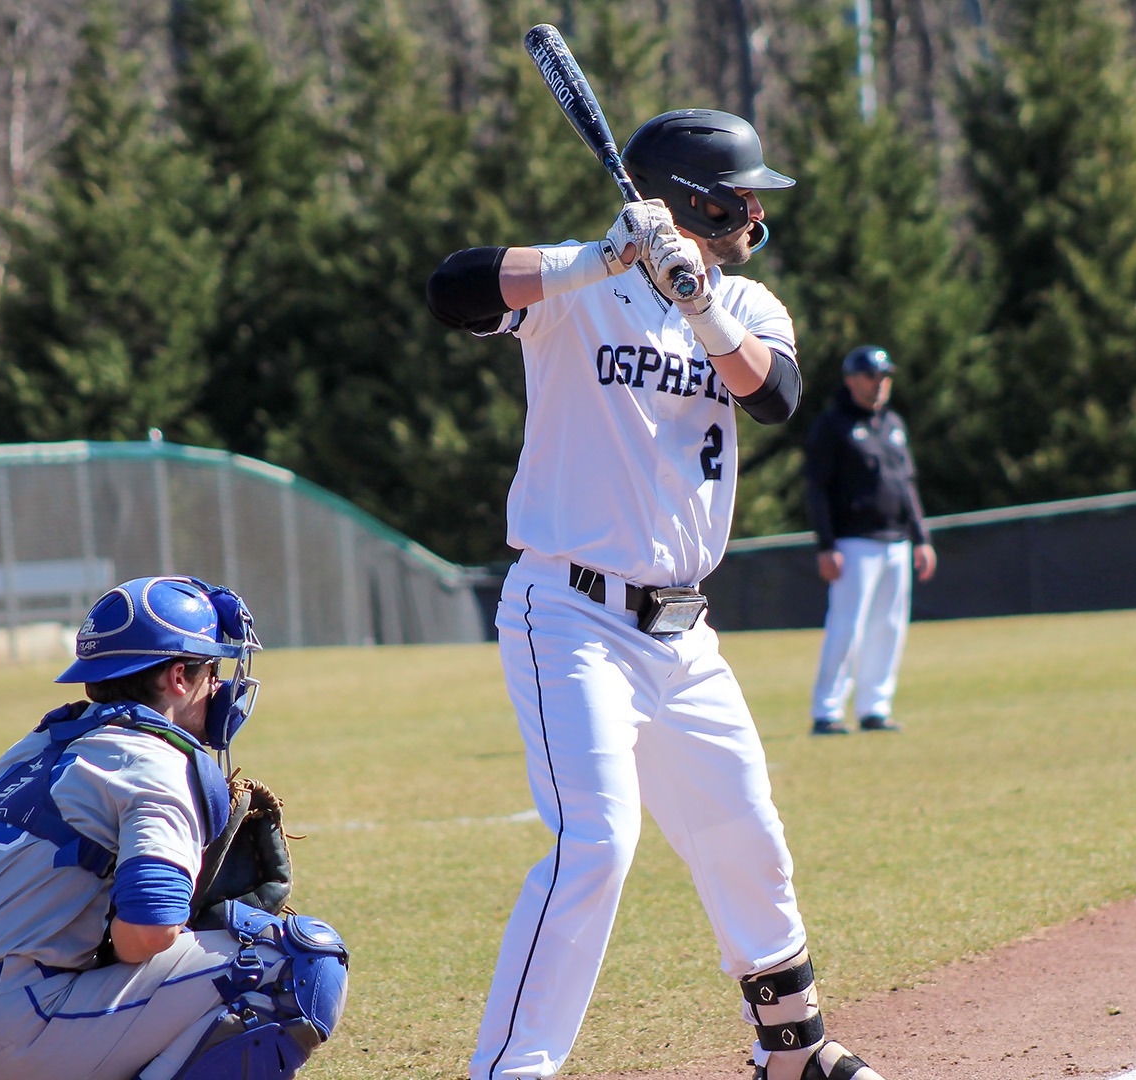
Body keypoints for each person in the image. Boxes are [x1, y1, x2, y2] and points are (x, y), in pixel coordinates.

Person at [426, 109, 888, 1080]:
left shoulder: (749, 301)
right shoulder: (578, 281)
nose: (755, 216)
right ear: (694, 199)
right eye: (741, 200)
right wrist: (595, 263)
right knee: (595, 843)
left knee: (747, 835)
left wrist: (694, 297)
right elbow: (455, 289)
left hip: (683, 632)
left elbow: (771, 395)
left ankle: (792, 1051)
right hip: (571, 614)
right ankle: (510, 1071)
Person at [0, 576, 349, 1080]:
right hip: (11, 1035)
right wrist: (204, 922)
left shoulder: (29, 750)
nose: (221, 687)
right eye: (213, 670)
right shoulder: (156, 760)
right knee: (300, 959)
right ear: (179, 677)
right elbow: (144, 936)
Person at [804, 346, 937, 736]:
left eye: (884, 377)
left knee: (890, 627)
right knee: (847, 627)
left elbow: (906, 485)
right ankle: (827, 710)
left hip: (896, 541)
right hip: (853, 543)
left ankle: (874, 707)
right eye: (871, 376)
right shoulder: (833, 426)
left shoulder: (892, 423)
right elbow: (817, 489)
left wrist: (922, 538)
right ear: (851, 380)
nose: (879, 384)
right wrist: (826, 545)